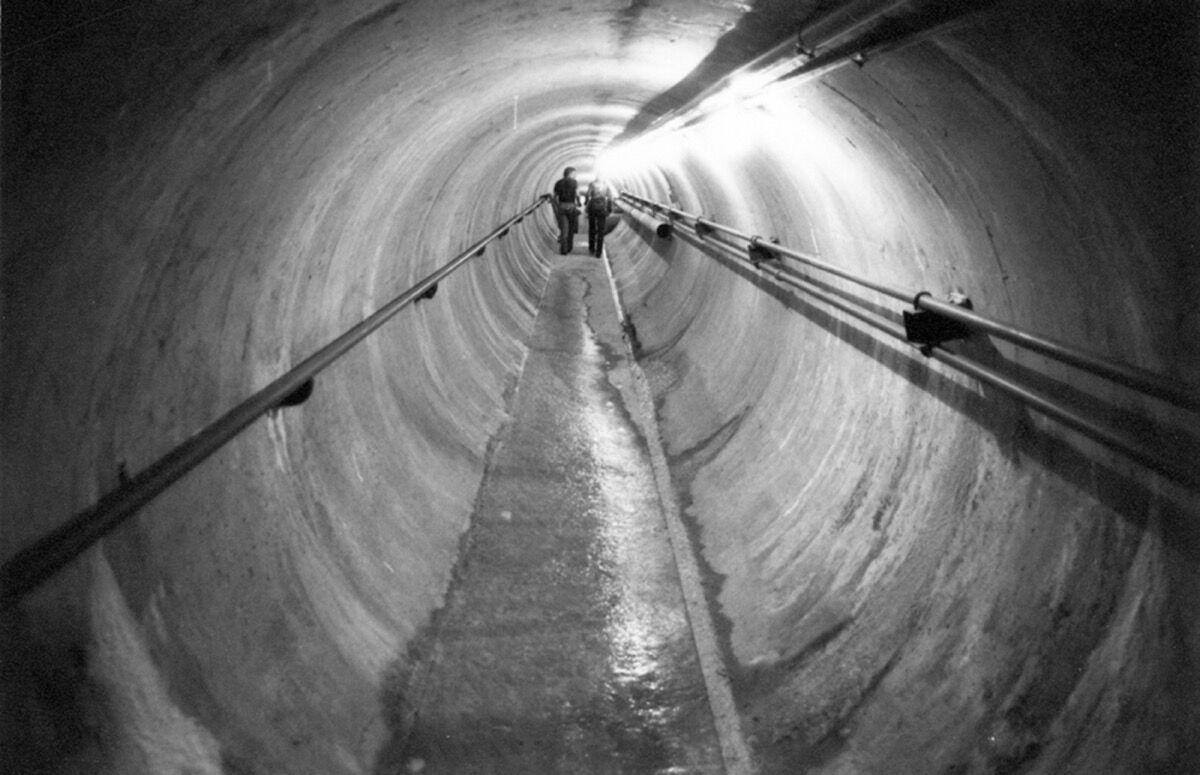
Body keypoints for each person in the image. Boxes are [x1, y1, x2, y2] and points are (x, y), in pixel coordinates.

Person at [551, 167, 579, 254]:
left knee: (564, 229)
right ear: (570, 173)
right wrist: (578, 203)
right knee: (571, 228)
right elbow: (577, 194)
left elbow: (555, 196)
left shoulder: (558, 183)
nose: (575, 175)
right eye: (574, 174)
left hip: (562, 206)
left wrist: (557, 206)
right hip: (571, 206)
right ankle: (569, 247)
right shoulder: (574, 182)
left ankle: (563, 250)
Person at [584, 177, 612, 257]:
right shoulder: (606, 185)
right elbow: (610, 198)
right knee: (601, 230)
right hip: (602, 208)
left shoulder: (592, 184)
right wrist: (609, 209)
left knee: (592, 228)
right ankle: (599, 252)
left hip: (592, 208)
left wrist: (586, 204)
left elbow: (587, 195)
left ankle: (591, 248)